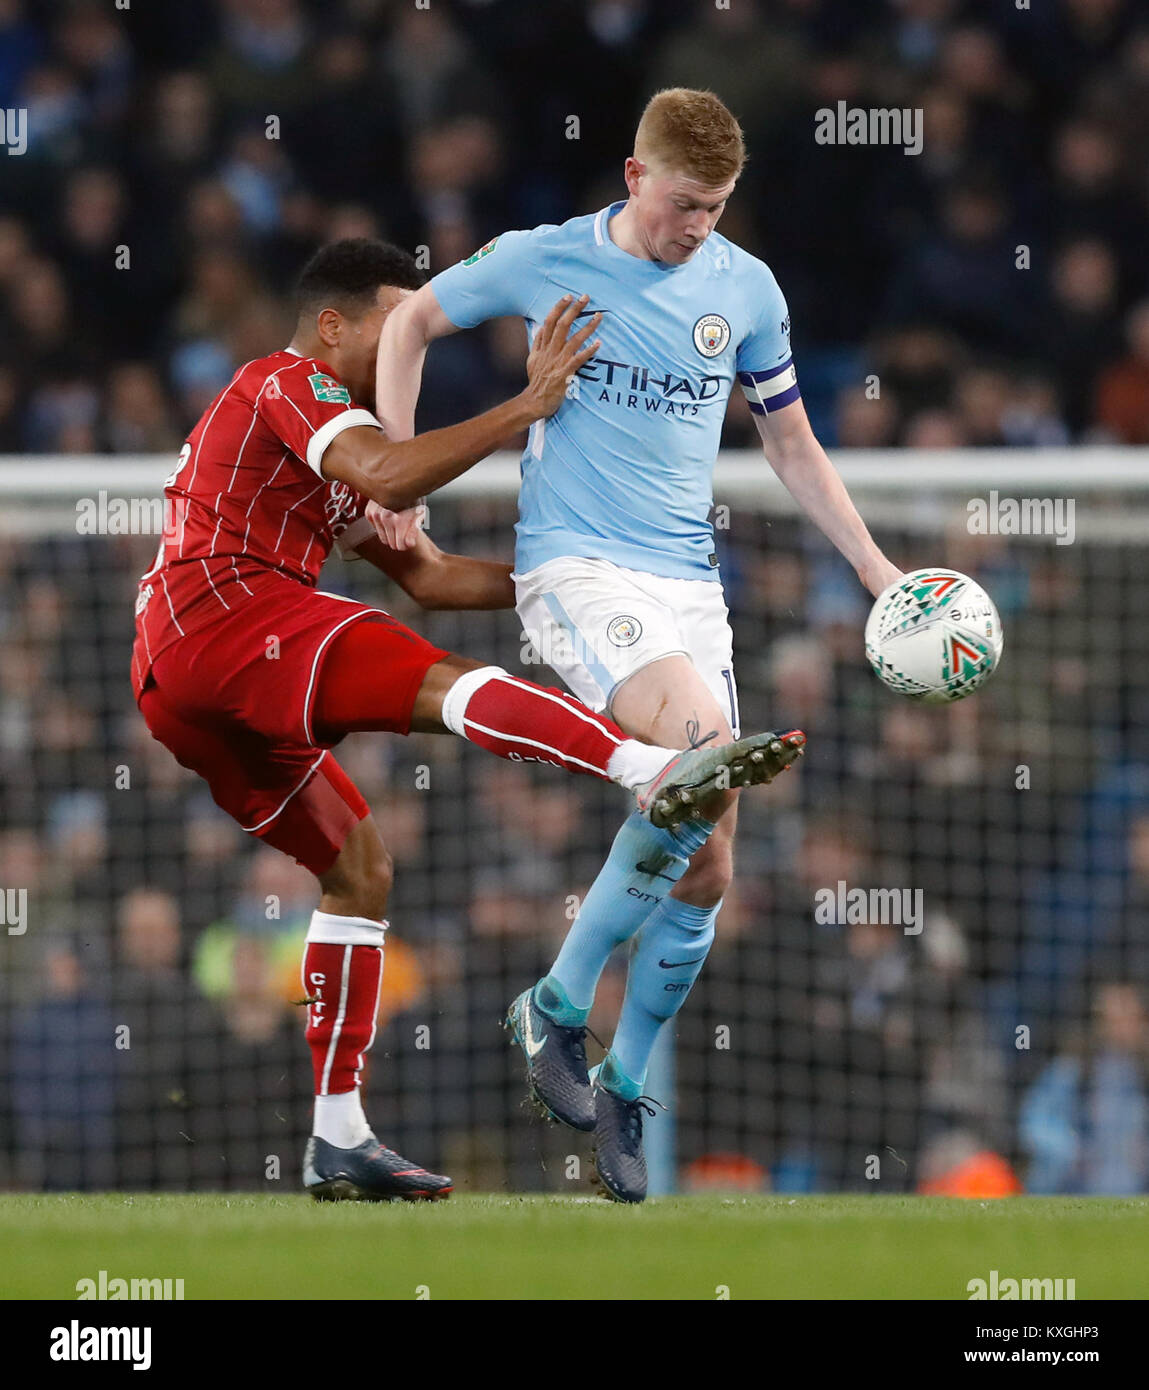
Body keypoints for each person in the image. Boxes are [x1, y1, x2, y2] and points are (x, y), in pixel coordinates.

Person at [130, 237, 805, 1202]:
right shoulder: (285, 381)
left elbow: (435, 578)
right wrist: (527, 406)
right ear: (332, 325)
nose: (411, 340)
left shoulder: (331, 450)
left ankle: (337, 1137)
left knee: (358, 869)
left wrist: (578, 580)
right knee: (441, 681)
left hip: (186, 686)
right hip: (227, 613)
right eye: (392, 324)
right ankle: (643, 769)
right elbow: (395, 477)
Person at [370, 89, 899, 1201]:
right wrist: (397, 476)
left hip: (687, 587)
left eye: (715, 208)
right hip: (574, 567)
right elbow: (412, 321)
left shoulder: (747, 293)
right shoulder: (545, 259)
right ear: (632, 175)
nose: (697, 225)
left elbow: (793, 445)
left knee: (710, 857)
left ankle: (624, 1075)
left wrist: (875, 570)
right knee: (705, 745)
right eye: (683, 203)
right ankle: (554, 1003)